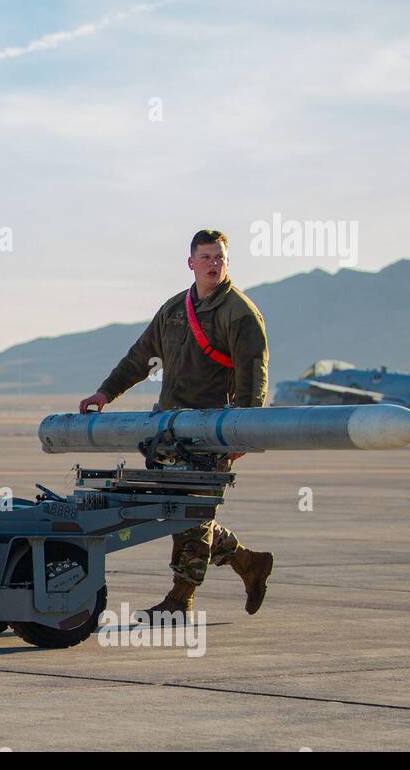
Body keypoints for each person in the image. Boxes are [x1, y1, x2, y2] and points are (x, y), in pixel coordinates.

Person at [78, 229, 275, 618]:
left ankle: (180, 600)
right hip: (168, 430)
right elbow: (139, 358)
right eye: (205, 257)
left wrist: (244, 428)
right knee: (177, 512)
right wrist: (105, 394)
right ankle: (248, 563)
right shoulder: (173, 310)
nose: (213, 264)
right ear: (190, 263)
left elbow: (254, 374)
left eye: (219, 257)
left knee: (192, 513)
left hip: (212, 431)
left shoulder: (240, 313)